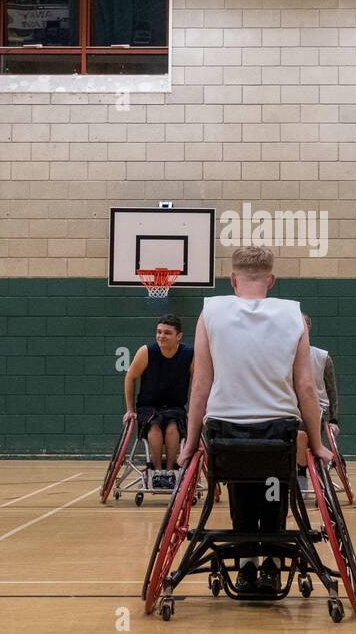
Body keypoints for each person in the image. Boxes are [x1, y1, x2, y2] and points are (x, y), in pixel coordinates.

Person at [177, 246, 332, 595]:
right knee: (275, 487)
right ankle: (272, 567)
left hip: (224, 433)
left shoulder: (210, 311)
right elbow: (305, 387)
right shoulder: (292, 314)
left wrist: (189, 444)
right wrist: (319, 444)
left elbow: (200, 384)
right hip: (277, 432)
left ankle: (246, 565)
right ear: (271, 280)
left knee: (241, 484)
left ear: (233, 279)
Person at [122, 315, 193, 490]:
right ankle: (156, 472)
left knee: (172, 429)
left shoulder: (189, 354)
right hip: (148, 407)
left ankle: (169, 473)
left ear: (179, 336)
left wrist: (193, 410)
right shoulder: (146, 352)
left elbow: (198, 383)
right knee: (154, 428)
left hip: (175, 407)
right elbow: (130, 377)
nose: (161, 336)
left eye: (167, 333)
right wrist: (130, 409)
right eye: (159, 332)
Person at [295, 313, 340, 496]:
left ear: (308, 329)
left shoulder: (322, 357)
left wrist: (334, 419)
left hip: (316, 409)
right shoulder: (282, 355)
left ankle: (302, 471)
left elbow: (332, 391)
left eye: (303, 325)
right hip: (289, 408)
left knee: (299, 433)